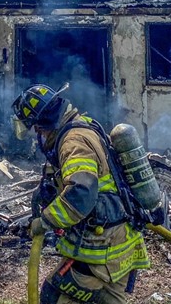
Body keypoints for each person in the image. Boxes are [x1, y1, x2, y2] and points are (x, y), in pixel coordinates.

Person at [11, 84, 151, 304]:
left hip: (100, 246)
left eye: (36, 128)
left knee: (53, 295)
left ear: (42, 124)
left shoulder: (73, 142)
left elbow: (81, 193)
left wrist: (46, 221)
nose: (37, 134)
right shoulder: (83, 126)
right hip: (121, 239)